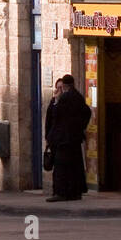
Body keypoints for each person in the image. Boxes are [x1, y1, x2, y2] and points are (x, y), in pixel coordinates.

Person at [45, 74, 92, 202]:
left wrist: (56, 101)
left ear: (65, 86)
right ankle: (75, 192)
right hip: (74, 139)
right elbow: (87, 112)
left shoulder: (64, 98)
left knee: (61, 167)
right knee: (75, 166)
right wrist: (80, 128)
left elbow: (55, 115)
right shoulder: (78, 97)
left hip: (63, 139)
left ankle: (61, 192)